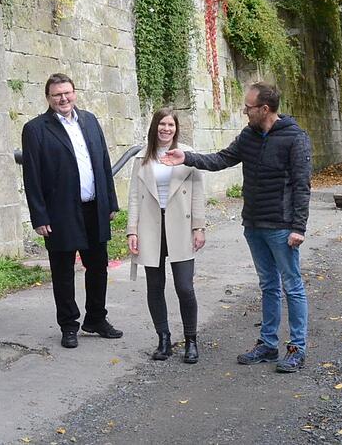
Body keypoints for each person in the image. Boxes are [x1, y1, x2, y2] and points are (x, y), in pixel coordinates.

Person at [161, 82, 312, 372]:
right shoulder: (249, 136)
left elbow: (302, 186)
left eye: (248, 107)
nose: (245, 112)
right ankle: (268, 344)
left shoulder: (295, 138)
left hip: (281, 227)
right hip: (253, 224)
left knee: (291, 286)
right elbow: (222, 159)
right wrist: (187, 157)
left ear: (264, 109)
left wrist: (298, 227)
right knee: (268, 285)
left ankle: (296, 348)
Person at [21, 73, 124, 349]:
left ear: (74, 93)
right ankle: (69, 325)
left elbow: (103, 162)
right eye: (57, 95)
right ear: (48, 98)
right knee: (63, 271)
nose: (63, 98)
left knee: (98, 266)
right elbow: (32, 177)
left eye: (67, 93)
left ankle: (96, 318)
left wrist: (110, 202)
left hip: (93, 207)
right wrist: (39, 216)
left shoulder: (89, 120)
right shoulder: (35, 129)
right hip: (60, 211)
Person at [126, 108, 206, 363]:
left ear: (176, 128)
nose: (166, 129)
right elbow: (134, 198)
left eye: (170, 125)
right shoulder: (141, 158)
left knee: (185, 286)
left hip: (180, 225)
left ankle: (191, 340)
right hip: (151, 225)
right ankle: (163, 338)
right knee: (155, 286)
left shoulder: (187, 155)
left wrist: (199, 227)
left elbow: (197, 193)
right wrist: (132, 230)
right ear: (154, 127)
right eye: (162, 124)